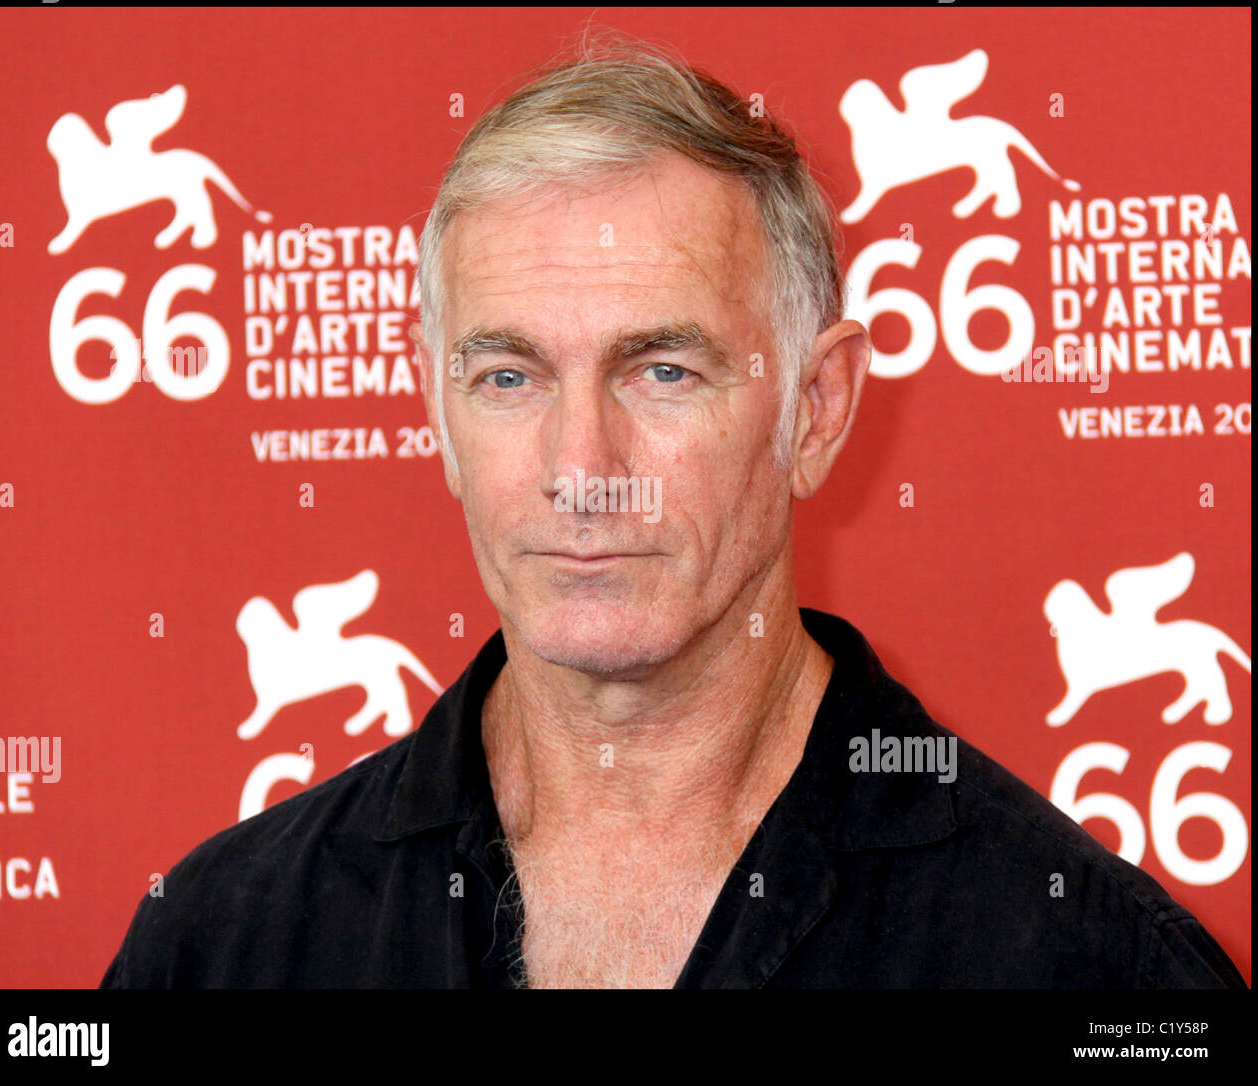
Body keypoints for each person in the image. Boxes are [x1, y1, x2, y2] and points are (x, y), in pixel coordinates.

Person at [101, 35, 1246, 989]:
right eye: (509, 377)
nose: (581, 467)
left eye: (662, 372)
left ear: (815, 408)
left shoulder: (1093, 970)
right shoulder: (221, 945)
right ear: (436, 413)